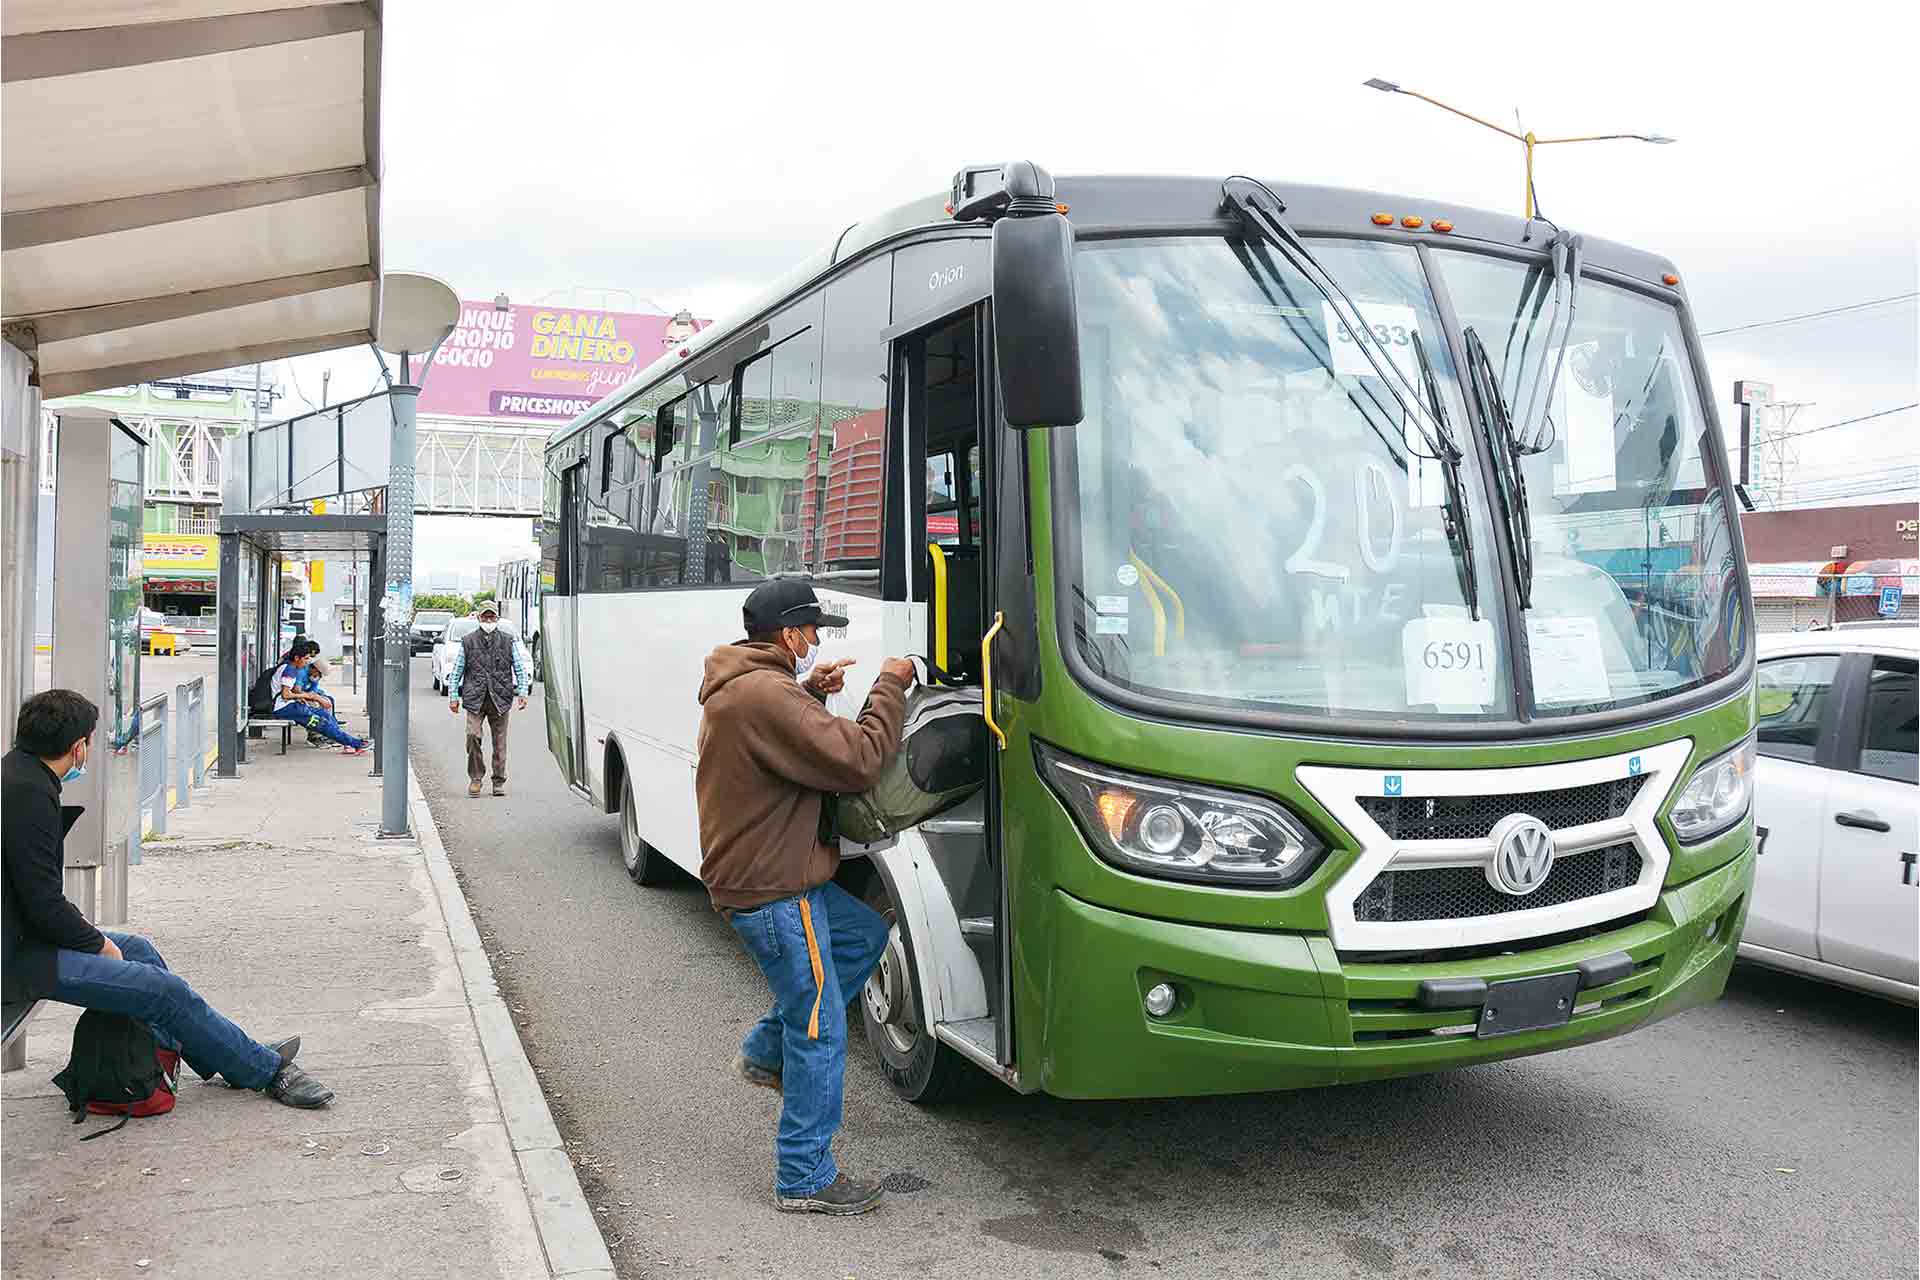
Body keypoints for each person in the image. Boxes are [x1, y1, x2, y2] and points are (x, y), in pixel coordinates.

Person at [694, 580, 915, 1216]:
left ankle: (767, 1057)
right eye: (813, 631)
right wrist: (890, 684)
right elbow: (861, 760)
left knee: (863, 936)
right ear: (789, 635)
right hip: (775, 887)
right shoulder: (769, 695)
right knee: (819, 1027)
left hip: (772, 876)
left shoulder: (749, 683)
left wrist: (810, 693)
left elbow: (771, 731)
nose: (818, 641)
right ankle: (805, 1176)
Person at [3, 689, 334, 1108]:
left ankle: (223, 1052)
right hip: (17, 957)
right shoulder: (28, 795)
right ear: (77, 747)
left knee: (140, 949)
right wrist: (97, 944)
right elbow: (43, 903)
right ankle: (264, 1070)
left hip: (23, 936)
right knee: (162, 991)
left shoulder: (21, 774)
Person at [447, 604, 529, 798]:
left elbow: (519, 668)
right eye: (486, 618)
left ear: (497, 619)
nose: (489, 621)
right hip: (475, 698)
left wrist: (523, 693)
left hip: (500, 699)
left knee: (499, 743)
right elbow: (457, 670)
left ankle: (498, 781)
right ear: (479, 619)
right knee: (473, 736)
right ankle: (476, 778)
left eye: (492, 618)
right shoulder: (468, 641)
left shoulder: (508, 641)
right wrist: (453, 697)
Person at [273, 646, 369, 755]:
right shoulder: (290, 670)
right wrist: (311, 696)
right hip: (284, 708)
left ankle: (349, 743)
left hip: (290, 705)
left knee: (325, 715)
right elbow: (285, 695)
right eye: (305, 659)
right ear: (296, 658)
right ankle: (356, 744)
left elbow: (287, 693)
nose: (306, 662)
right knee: (322, 723)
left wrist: (300, 697)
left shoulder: (290, 668)